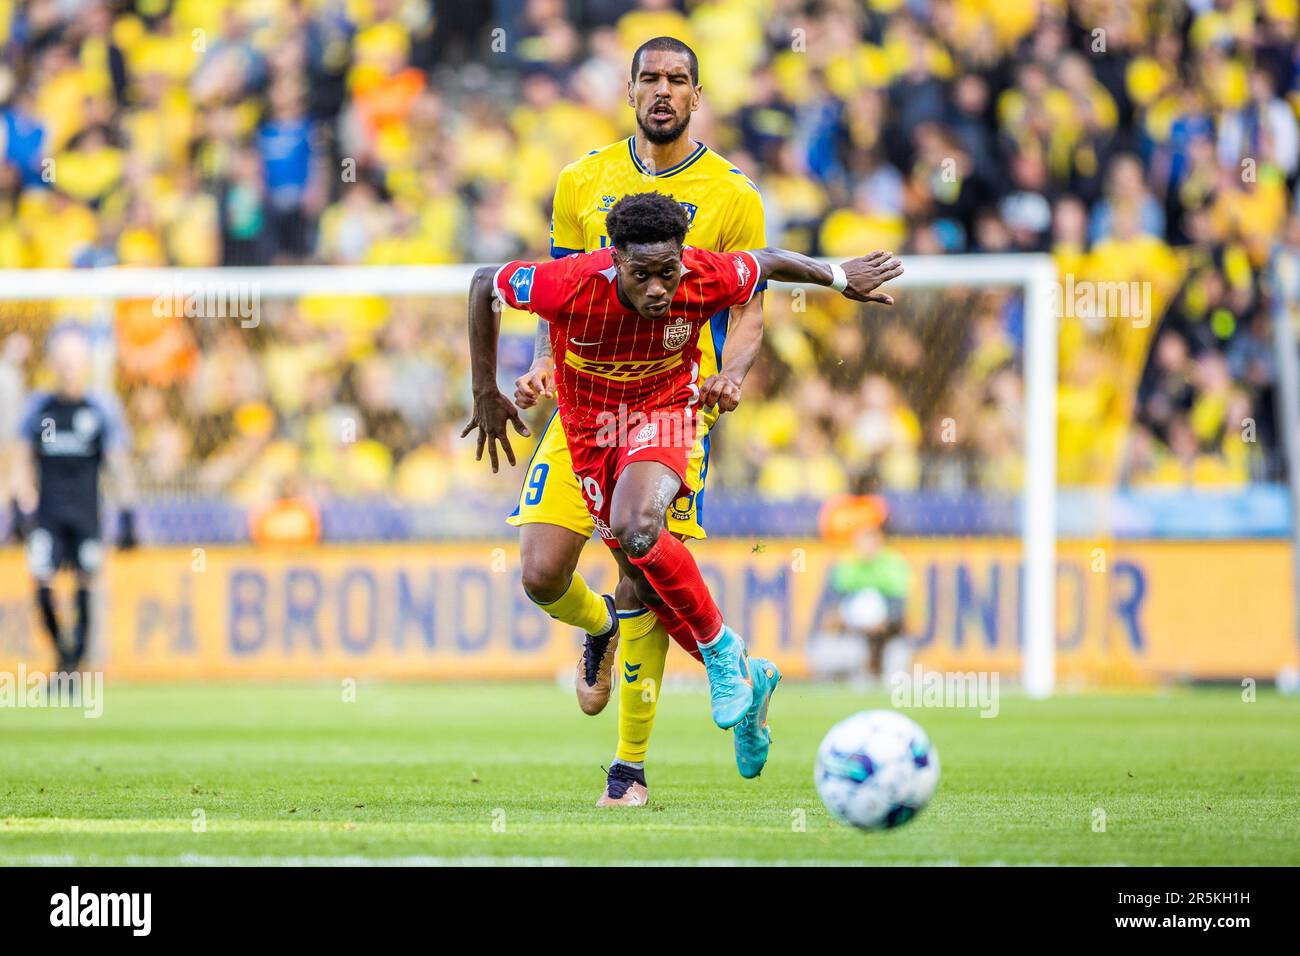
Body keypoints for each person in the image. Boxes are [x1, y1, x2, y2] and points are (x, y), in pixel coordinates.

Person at [463, 190, 903, 801]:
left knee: (637, 530)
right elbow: (485, 282)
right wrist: (484, 388)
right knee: (542, 576)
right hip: (588, 429)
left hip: (666, 414)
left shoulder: (700, 273)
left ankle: (711, 668)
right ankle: (635, 637)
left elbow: (767, 262)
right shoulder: (569, 283)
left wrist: (837, 276)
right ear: (613, 260)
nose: (656, 290)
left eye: (666, 273)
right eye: (640, 275)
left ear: (682, 260)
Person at [508, 36, 770, 804]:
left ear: (697, 95)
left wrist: (733, 374)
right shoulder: (580, 179)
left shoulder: (733, 193)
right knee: (541, 573)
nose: (663, 90)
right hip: (586, 402)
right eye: (649, 78)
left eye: (678, 80)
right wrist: (541, 363)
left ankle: (629, 769)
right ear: (629, 92)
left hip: (670, 400)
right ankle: (598, 627)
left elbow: (753, 302)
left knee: (637, 557)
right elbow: (553, 287)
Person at [10, 326, 136, 673]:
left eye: (75, 362)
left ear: (85, 366)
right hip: (47, 515)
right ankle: (62, 653)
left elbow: (117, 464)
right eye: (62, 362)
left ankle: (74, 663)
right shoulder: (39, 409)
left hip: (85, 515)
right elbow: (20, 460)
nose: (68, 369)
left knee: (85, 583)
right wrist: (18, 506)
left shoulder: (100, 409)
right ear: (52, 364)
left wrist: (127, 514)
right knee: (42, 583)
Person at [811, 495, 913, 687]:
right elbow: (830, 613)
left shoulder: (894, 565)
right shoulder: (846, 566)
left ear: (880, 538)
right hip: (853, 639)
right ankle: (853, 673)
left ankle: (876, 668)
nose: (866, 543)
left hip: (887, 643)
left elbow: (900, 613)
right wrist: (848, 621)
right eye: (862, 537)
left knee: (896, 670)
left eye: (871, 536)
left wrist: (885, 623)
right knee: (823, 654)